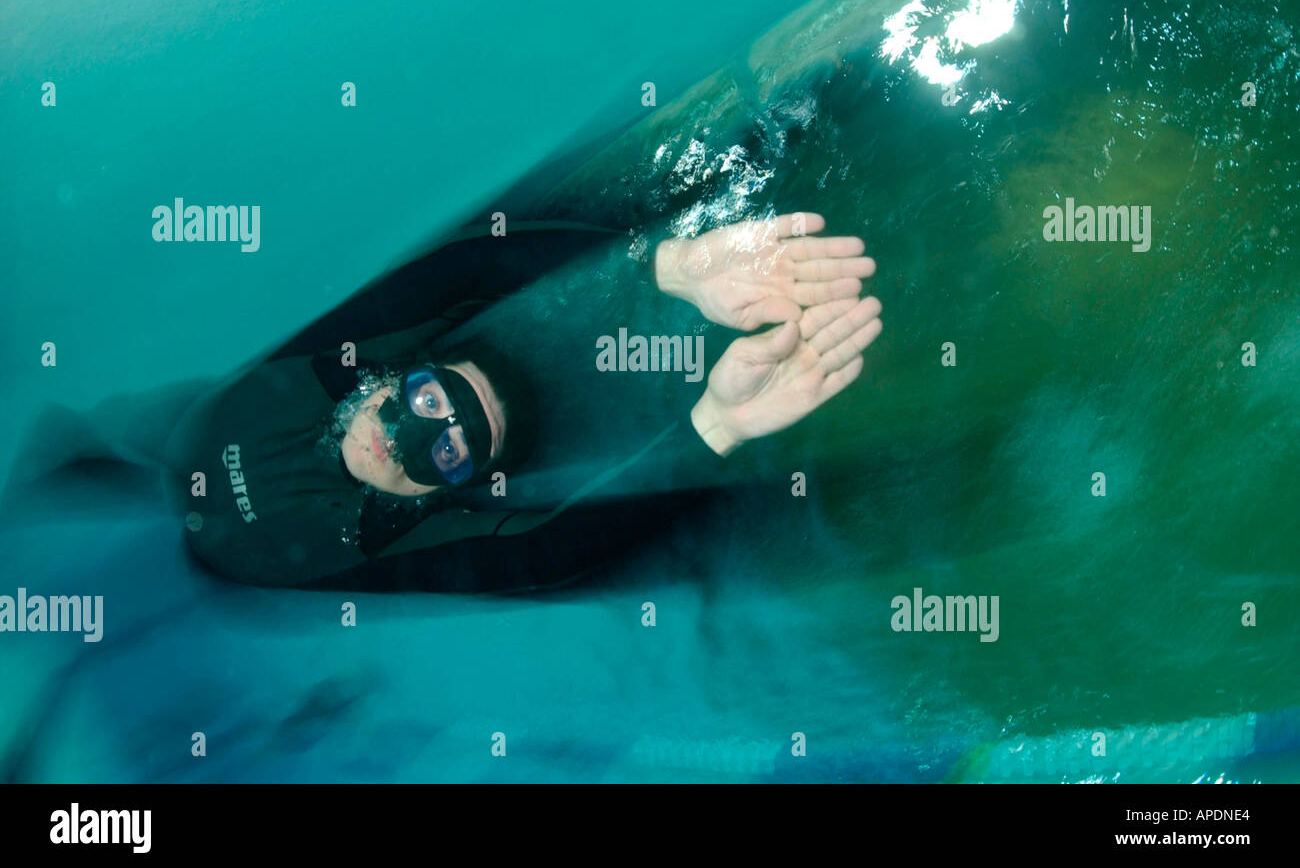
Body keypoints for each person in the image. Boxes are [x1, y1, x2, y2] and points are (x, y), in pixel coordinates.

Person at [29, 212, 882, 593]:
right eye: (426, 402)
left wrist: (721, 425)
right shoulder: (342, 365)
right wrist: (668, 265)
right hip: (188, 435)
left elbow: (534, 561)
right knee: (153, 443)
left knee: (172, 489)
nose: (402, 440)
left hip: (226, 572)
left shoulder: (389, 539)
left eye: (445, 455)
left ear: (450, 492)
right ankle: (95, 450)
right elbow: (462, 273)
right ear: (396, 376)